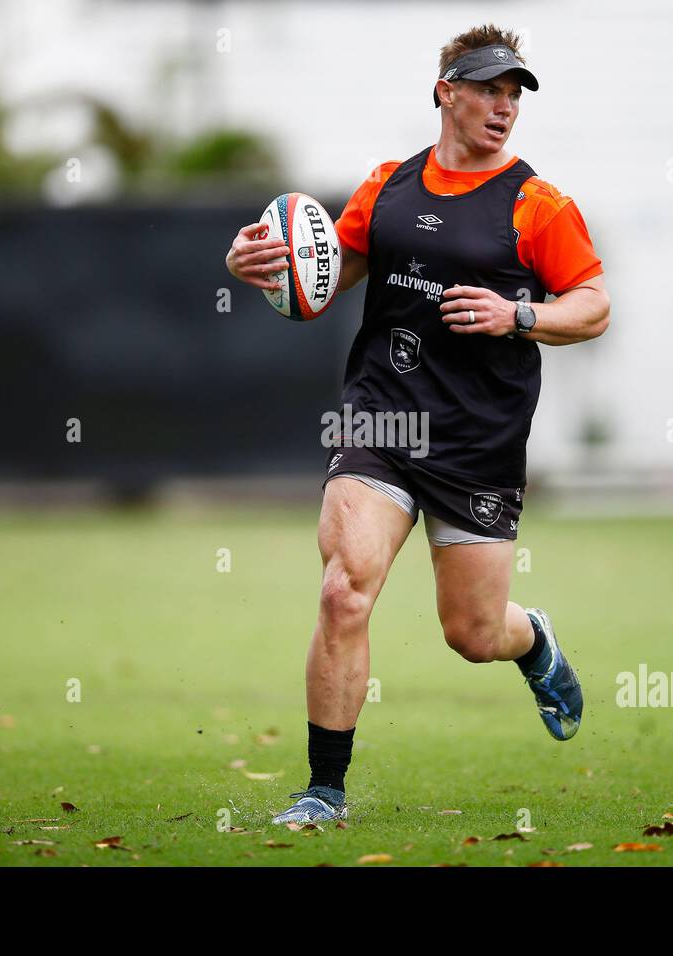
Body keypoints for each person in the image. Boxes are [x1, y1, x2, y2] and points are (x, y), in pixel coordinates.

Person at [224, 23, 610, 825]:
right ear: (446, 91)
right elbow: (317, 285)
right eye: (489, 90)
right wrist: (256, 266)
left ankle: (530, 640)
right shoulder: (388, 188)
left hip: (478, 441)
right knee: (343, 589)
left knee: (471, 633)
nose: (504, 107)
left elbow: (594, 305)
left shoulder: (539, 205)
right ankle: (323, 790)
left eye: (515, 95)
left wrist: (518, 314)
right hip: (383, 421)